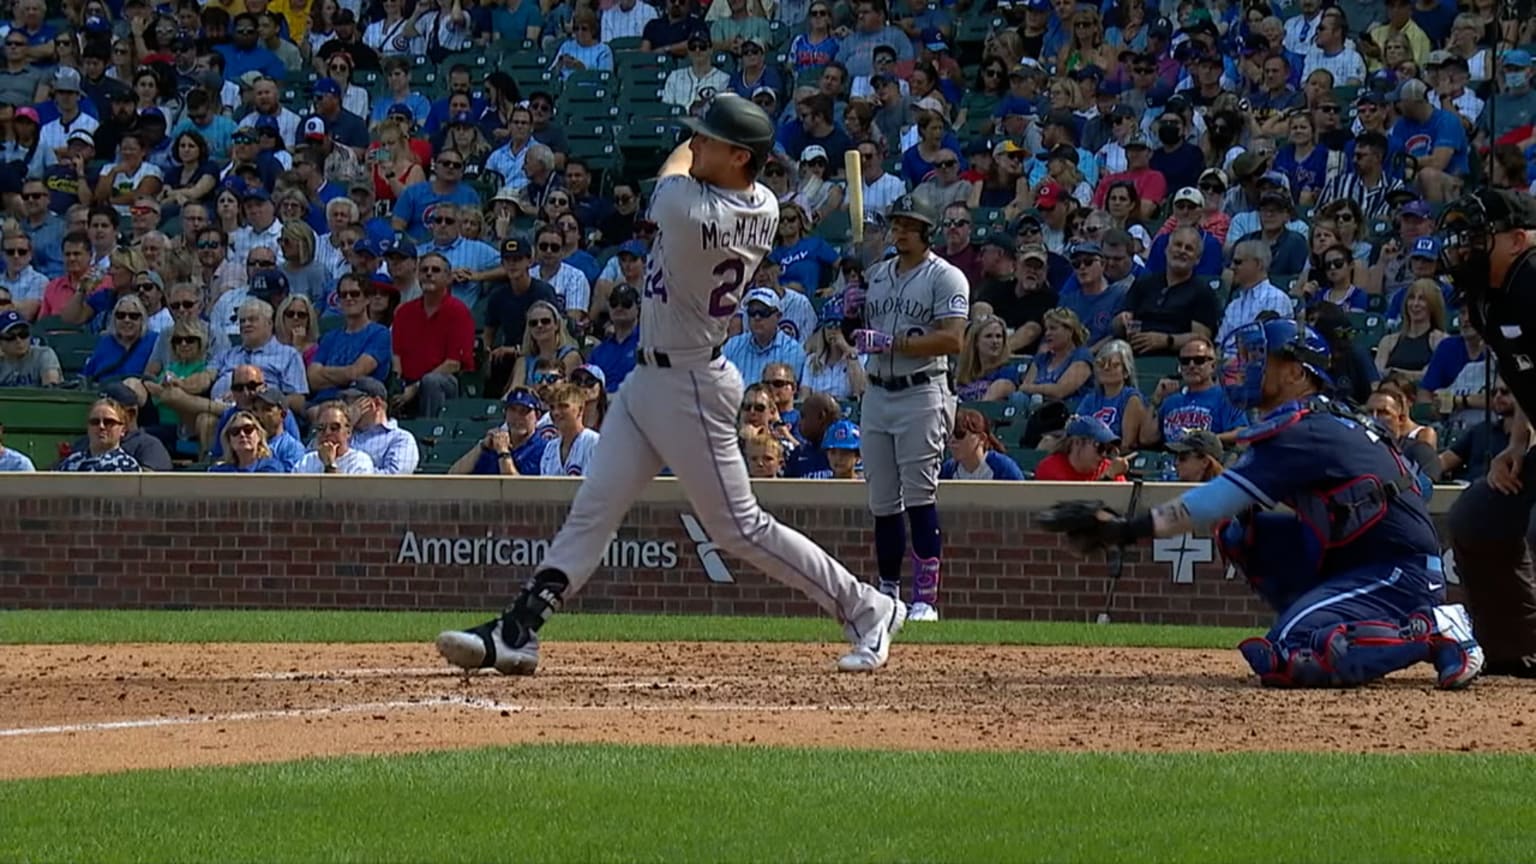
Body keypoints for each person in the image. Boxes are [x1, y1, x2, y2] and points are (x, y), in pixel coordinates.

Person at [435, 95, 905, 676]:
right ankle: (519, 631)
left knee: (738, 528)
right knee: (594, 508)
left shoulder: (688, 209)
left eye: (709, 139)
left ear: (738, 157)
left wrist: (710, 130)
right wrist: (725, 130)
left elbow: (676, 167)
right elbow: (714, 161)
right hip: (649, 379)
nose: (695, 142)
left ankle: (867, 607)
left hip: (692, 384)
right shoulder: (758, 202)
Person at [1038, 317, 1483, 690]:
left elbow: (1214, 500)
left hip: (1395, 571)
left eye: (1261, 360)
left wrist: (1124, 530)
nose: (1246, 368)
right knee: (1242, 532)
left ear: (1296, 372)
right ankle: (1327, 616)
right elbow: (1417, 489)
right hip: (1362, 560)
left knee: (1288, 653)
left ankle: (1433, 630)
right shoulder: (1334, 417)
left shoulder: (1303, 427)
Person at [1436, 188, 1536, 676]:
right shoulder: (1485, 299)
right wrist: (1517, 444)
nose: (1464, 250)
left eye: (1478, 238)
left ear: (1518, 240)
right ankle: (1516, 648)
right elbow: (1526, 376)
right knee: (1477, 519)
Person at [854, 194, 966, 623]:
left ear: (927, 232)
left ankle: (925, 600)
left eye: (908, 225)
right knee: (882, 501)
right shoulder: (878, 275)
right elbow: (862, 331)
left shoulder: (946, 277)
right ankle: (887, 592)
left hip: (923, 391)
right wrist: (848, 314)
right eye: (896, 224)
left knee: (919, 496)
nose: (899, 231)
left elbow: (953, 338)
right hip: (878, 390)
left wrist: (895, 343)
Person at [938, 407, 1025, 480]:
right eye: (949, 435)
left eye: (960, 434)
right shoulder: (947, 471)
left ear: (982, 438)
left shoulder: (1004, 469)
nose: (952, 441)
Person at [58, 397, 142, 472]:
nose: (101, 426)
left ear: (123, 430)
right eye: (95, 422)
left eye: (109, 422)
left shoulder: (128, 467)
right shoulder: (70, 463)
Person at [295, 399, 375, 473]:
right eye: (321, 428)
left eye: (334, 428)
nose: (327, 433)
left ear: (348, 431)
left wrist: (330, 465)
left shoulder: (360, 461)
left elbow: (353, 489)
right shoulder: (306, 461)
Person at [209, 409, 285, 472]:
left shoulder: (272, 467)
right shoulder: (220, 472)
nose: (242, 434)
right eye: (235, 431)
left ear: (259, 436)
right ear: (229, 440)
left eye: (248, 429)